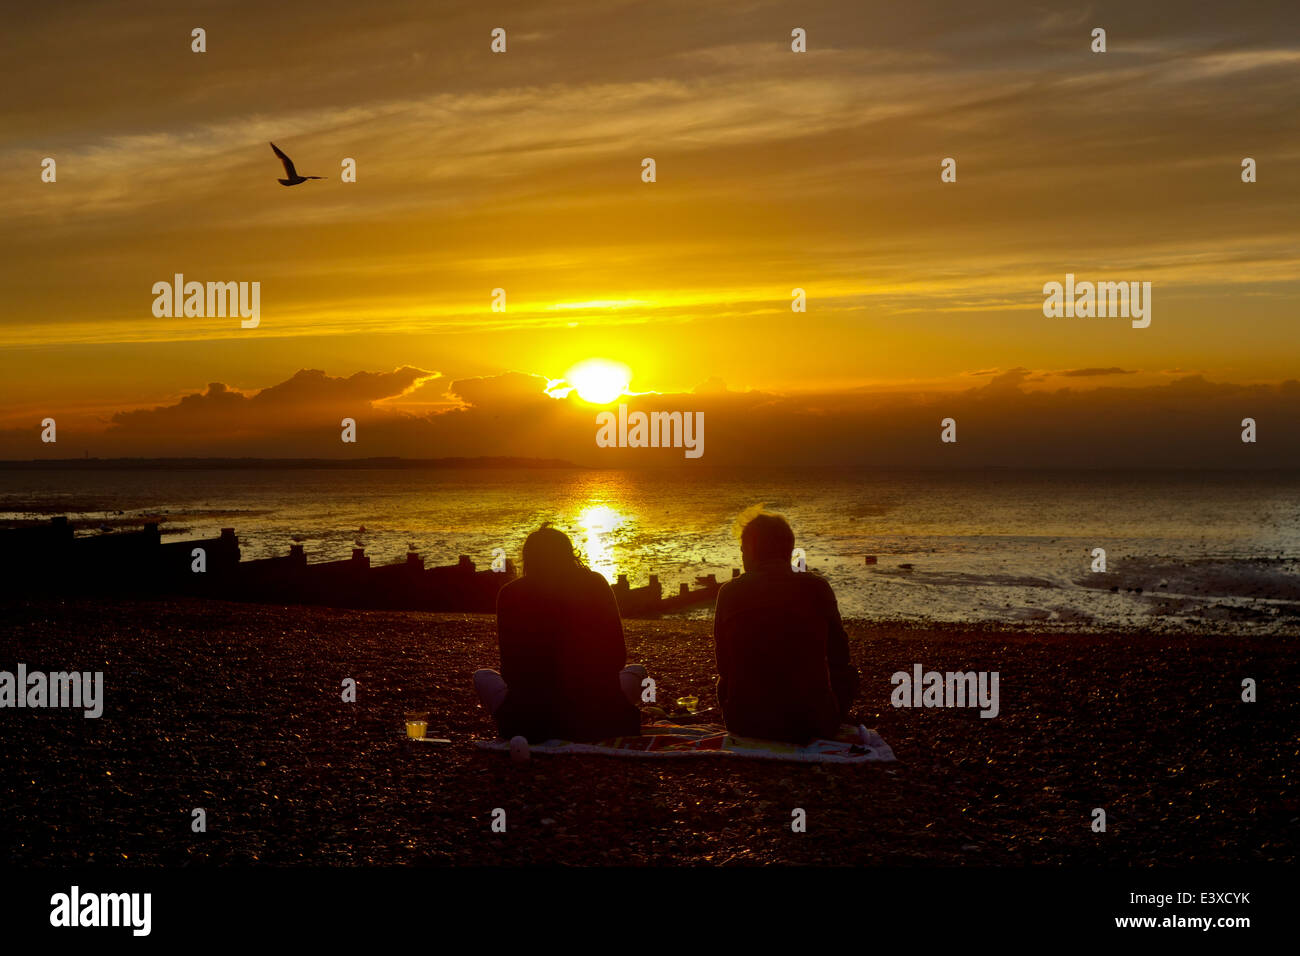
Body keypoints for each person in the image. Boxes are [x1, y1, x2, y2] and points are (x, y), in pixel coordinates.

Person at [473, 525, 644, 743]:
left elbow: (510, 670)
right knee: (637, 671)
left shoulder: (509, 593)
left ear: (529, 558)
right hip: (602, 719)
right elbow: (618, 657)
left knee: (482, 676)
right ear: (568, 553)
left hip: (531, 724)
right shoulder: (596, 583)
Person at [713, 511, 858, 744]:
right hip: (814, 724)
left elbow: (724, 665)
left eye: (742, 551)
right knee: (847, 674)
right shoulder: (818, 588)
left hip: (746, 723)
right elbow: (839, 656)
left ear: (750, 549)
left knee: (724, 681)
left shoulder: (729, 593)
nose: (742, 557)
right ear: (788, 551)